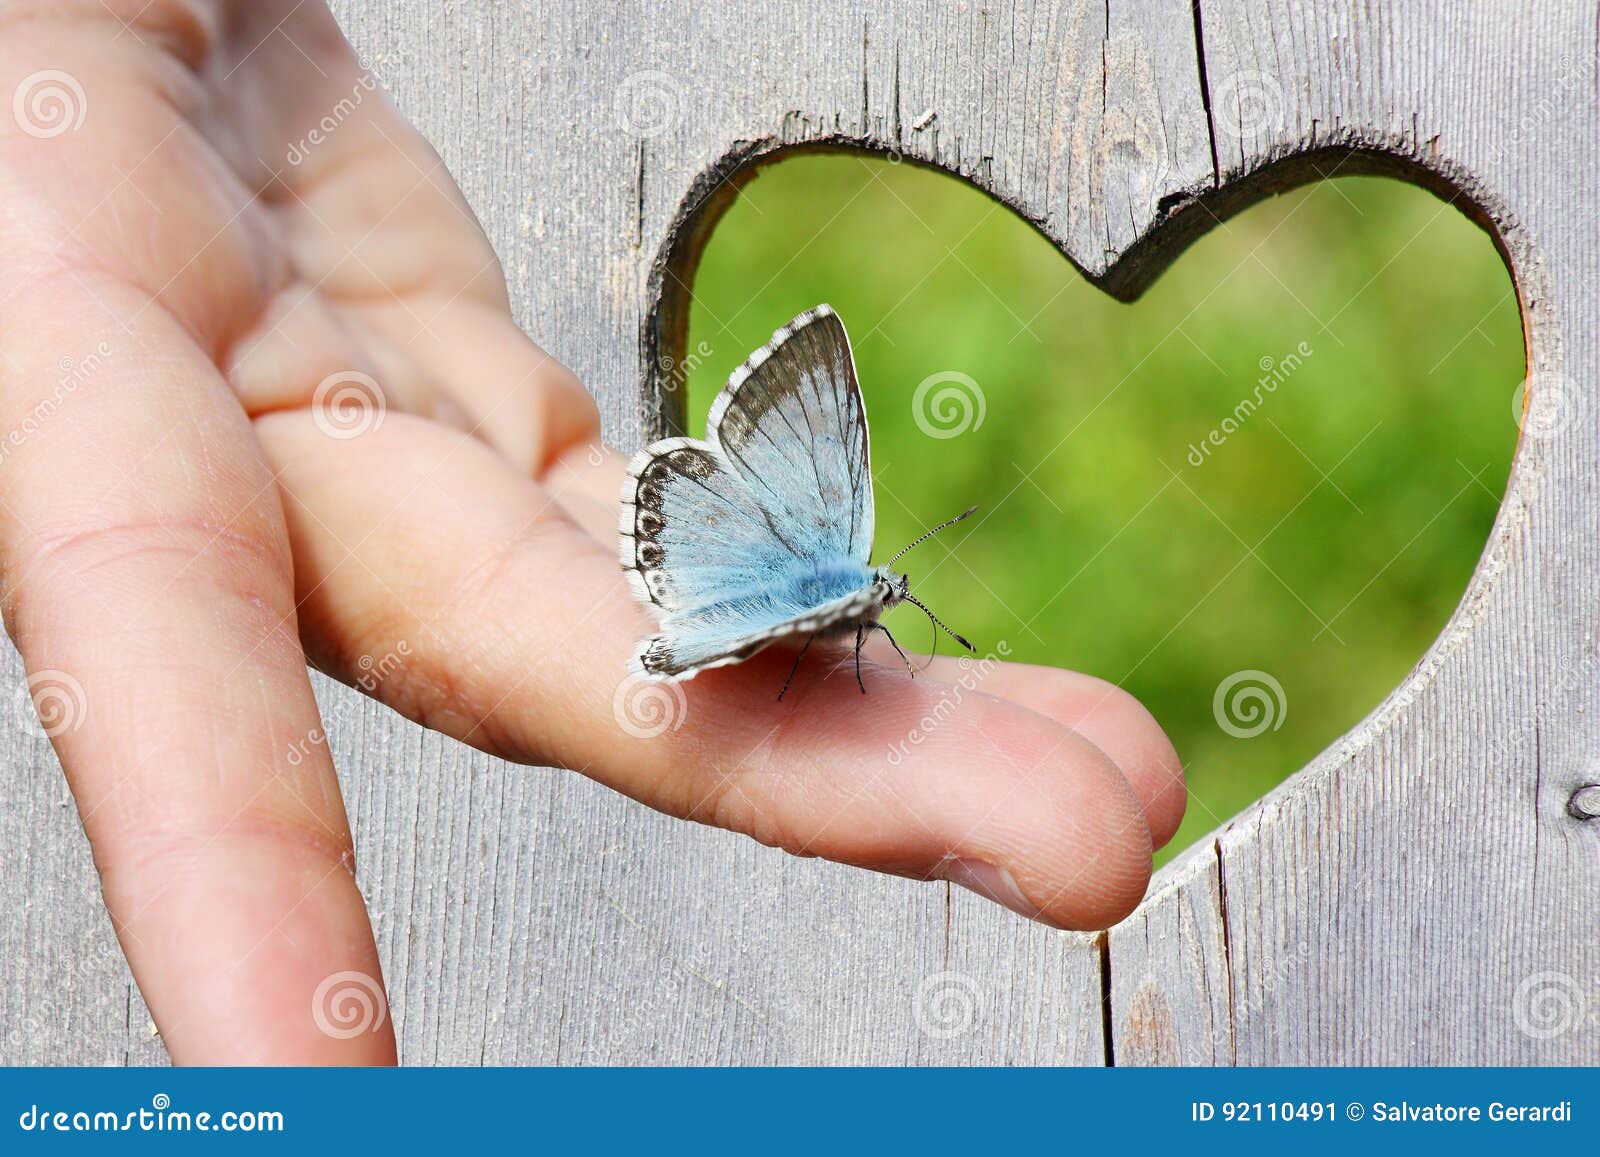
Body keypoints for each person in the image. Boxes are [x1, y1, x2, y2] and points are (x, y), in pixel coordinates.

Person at [0, 0, 1184, 1064]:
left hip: (719, 554)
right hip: (737, 588)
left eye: (883, 603)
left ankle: (697, 611)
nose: (886, 601)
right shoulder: (857, 594)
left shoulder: (854, 577)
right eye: (884, 601)